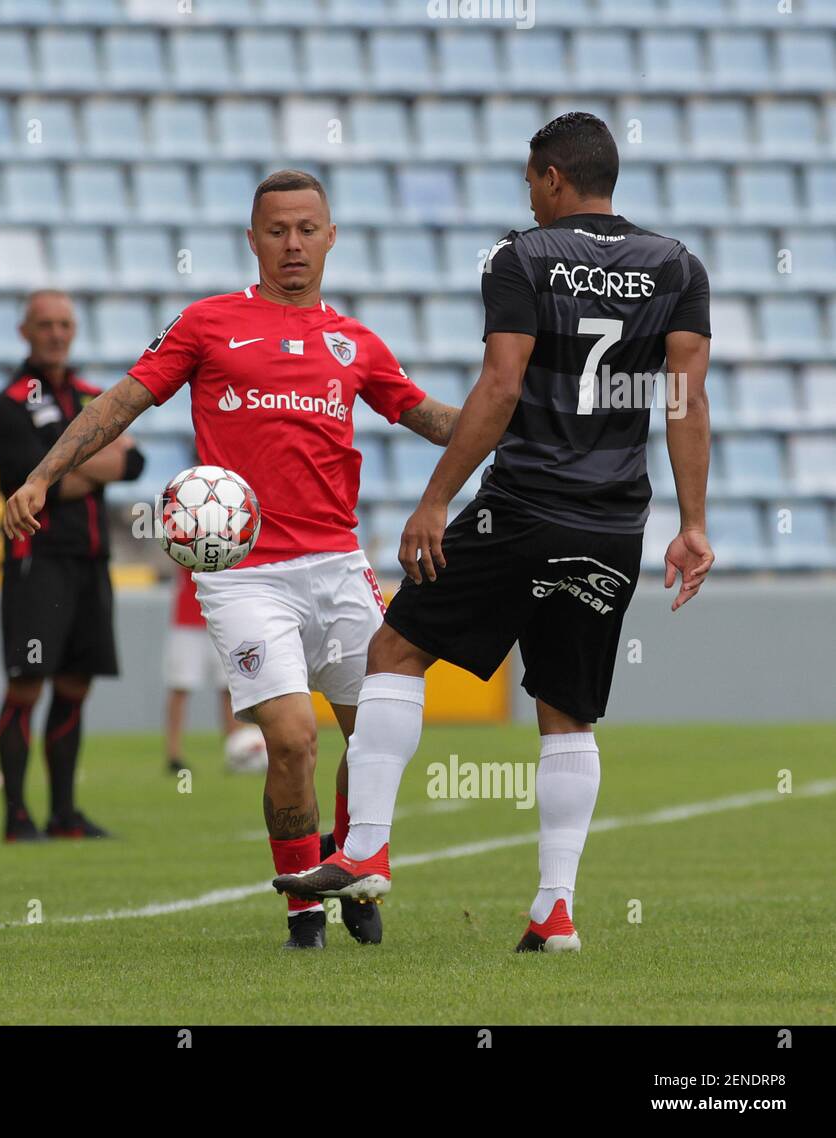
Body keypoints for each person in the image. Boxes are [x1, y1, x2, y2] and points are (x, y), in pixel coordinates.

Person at [275, 113, 714, 955]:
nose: (529, 196)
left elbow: (503, 383)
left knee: (396, 652)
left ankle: (364, 846)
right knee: (567, 714)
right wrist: (692, 525)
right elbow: (685, 400)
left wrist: (438, 497)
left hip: (520, 506)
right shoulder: (677, 266)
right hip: (615, 519)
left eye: (529, 181)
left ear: (551, 178)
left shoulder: (524, 256)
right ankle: (555, 911)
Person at [3, 170, 462, 949]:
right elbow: (122, 401)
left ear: (331, 238)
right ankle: (302, 912)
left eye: (307, 229)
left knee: (374, 735)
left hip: (340, 565)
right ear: (252, 240)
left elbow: (432, 419)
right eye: (277, 230)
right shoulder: (208, 323)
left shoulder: (358, 342)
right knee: (290, 738)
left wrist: (515, 415)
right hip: (244, 573)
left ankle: (350, 863)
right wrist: (44, 474)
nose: (292, 244)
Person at [0, 289, 145, 842]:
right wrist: (76, 467)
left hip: (91, 563)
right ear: (24, 331)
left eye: (65, 324)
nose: (56, 333)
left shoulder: (90, 396)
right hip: (38, 563)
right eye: (46, 324)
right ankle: (16, 816)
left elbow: (134, 460)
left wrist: (60, 462)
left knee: (76, 686)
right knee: (27, 686)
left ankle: (63, 814)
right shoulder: (8, 402)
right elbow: (29, 483)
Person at [163, 565, 240, 775]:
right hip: (188, 616)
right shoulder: (185, 530)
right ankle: (174, 755)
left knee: (229, 687)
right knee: (180, 685)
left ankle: (236, 751)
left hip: (222, 613)